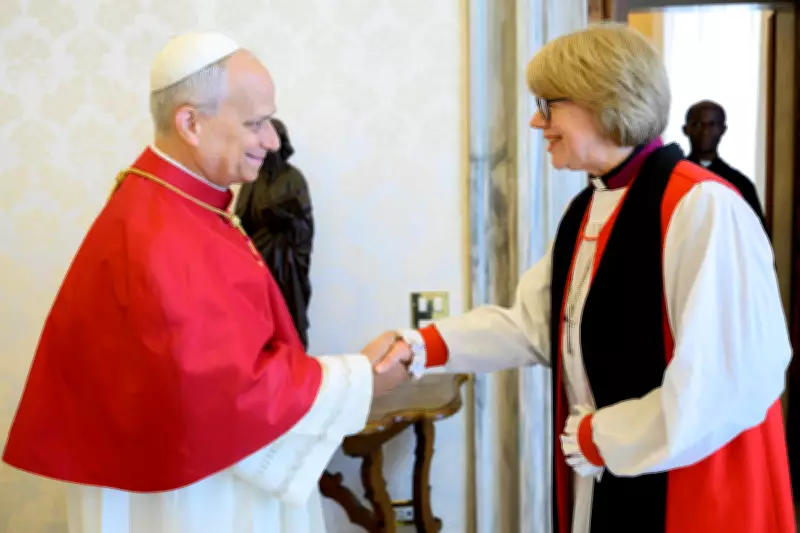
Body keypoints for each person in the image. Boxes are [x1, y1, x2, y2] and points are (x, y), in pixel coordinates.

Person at [381, 23, 794, 533]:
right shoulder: (588, 206)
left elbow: (733, 376)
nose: (536, 121)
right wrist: (417, 346)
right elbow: (534, 323)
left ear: (604, 102)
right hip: (602, 471)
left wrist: (604, 437)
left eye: (548, 104)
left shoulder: (702, 206)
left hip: (687, 482)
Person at [2, 32, 412, 533]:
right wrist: (361, 378)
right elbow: (231, 394)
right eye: (255, 123)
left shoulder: (177, 203)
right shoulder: (163, 231)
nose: (273, 140)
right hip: (195, 501)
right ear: (190, 123)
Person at [234, 118, 314, 348]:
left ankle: (295, 363)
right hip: (258, 259)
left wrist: (286, 219)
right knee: (258, 316)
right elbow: (239, 222)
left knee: (290, 314)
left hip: (288, 263)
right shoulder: (252, 180)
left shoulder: (293, 178)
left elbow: (305, 226)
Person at [683, 100, 766, 227]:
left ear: (723, 129)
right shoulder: (673, 177)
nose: (705, 131)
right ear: (685, 129)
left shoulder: (740, 184)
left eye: (712, 125)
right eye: (697, 124)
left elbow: (755, 234)